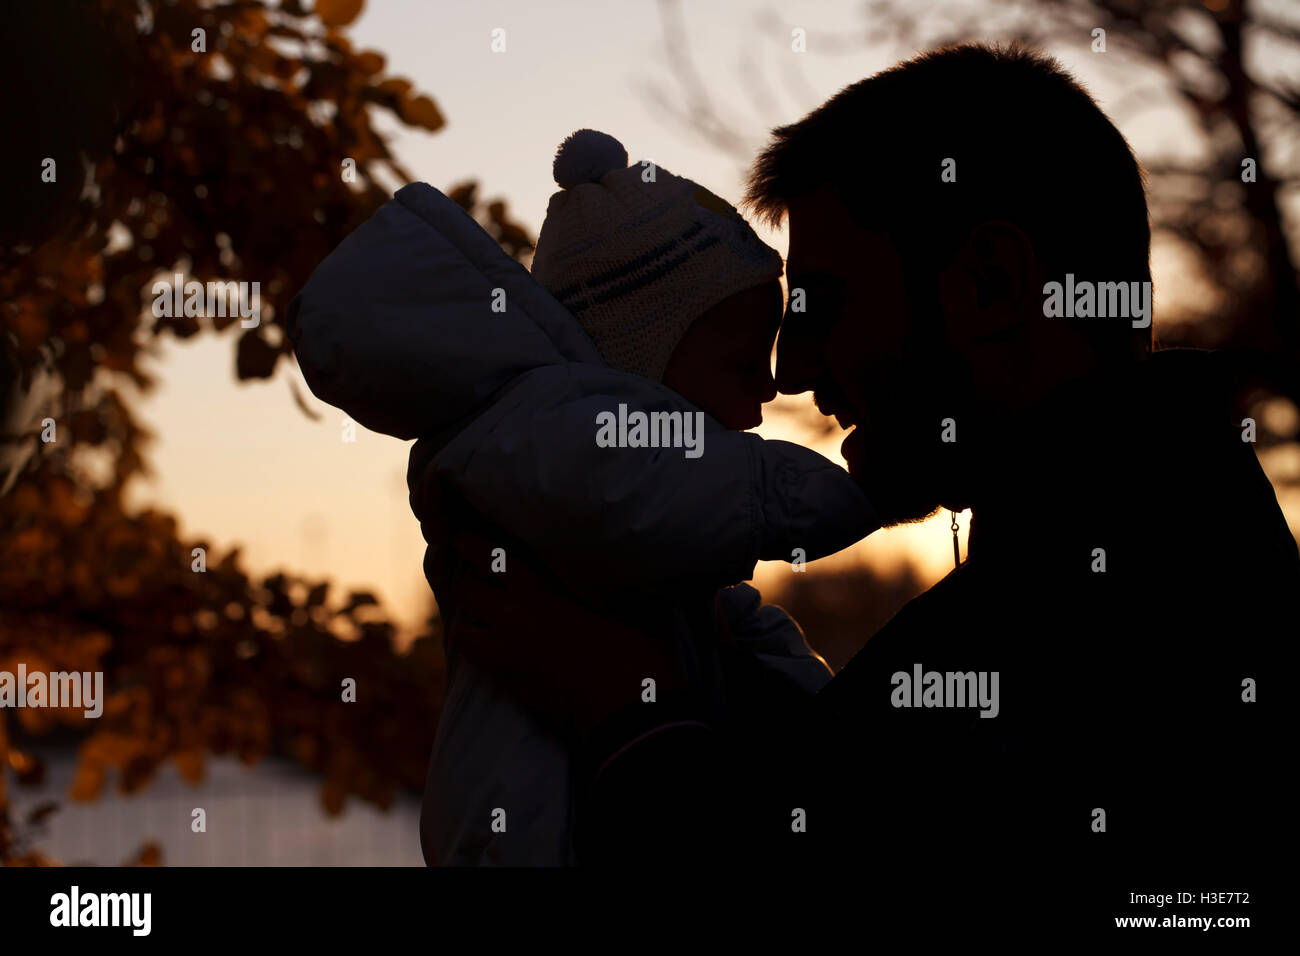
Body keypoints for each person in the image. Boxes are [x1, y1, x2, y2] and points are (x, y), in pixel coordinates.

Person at [437, 44, 1297, 882]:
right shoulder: (1153, 548)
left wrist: (620, 707)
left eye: (818, 306)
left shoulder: (1103, 617)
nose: (790, 369)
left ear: (992, 285)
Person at [287, 130, 880, 865]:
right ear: (643, 367)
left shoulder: (571, 455)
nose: (769, 389)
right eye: (738, 362)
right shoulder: (564, 437)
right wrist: (857, 497)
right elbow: (731, 492)